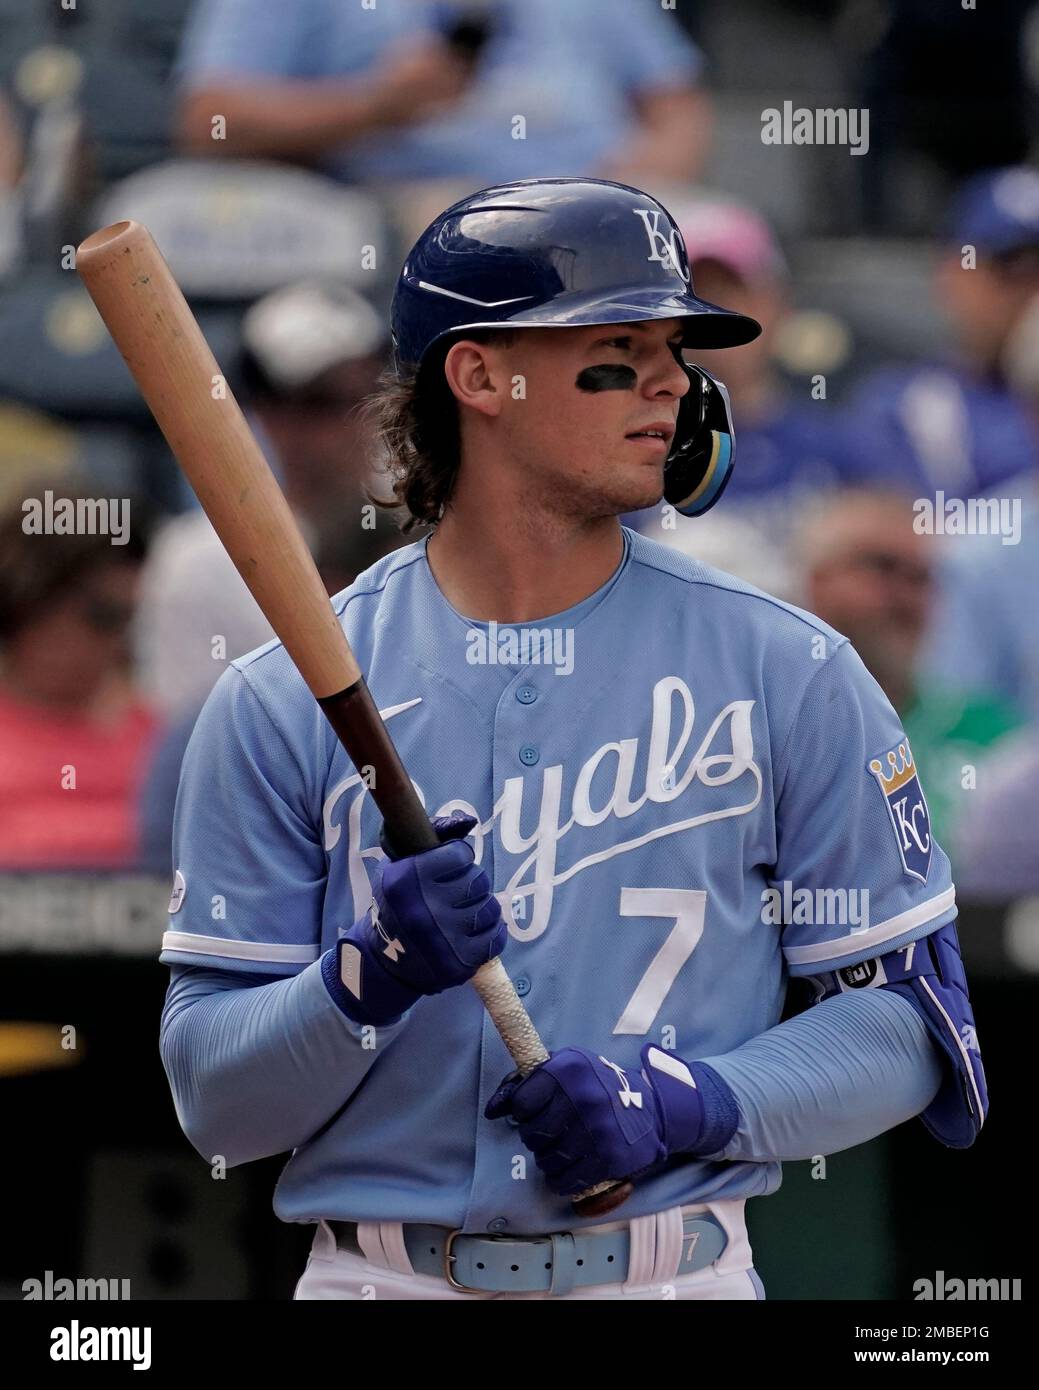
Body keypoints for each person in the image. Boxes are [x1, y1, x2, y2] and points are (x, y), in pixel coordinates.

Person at [159, 179, 986, 1301]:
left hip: (669, 1276)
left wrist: (691, 1102)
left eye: (676, 349)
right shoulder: (279, 698)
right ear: (479, 374)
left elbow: (909, 1030)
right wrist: (362, 980)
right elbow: (215, 1100)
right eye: (617, 347)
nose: (673, 381)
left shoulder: (788, 669)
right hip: (380, 1279)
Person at [173, 0, 710, 242]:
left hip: (596, 194)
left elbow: (678, 107)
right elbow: (211, 118)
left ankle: (741, 460)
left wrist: (628, 191)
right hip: (406, 200)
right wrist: (374, 107)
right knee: (485, 240)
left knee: (726, 244)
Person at [796, 488, 1020, 849]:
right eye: (883, 567)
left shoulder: (992, 737)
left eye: (922, 578)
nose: (906, 595)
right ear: (817, 580)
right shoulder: (765, 728)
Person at [843, 166, 1039, 499]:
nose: (1030, 292)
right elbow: (910, 538)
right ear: (951, 273)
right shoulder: (904, 407)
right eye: (1012, 268)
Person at [0, 479, 159, 870]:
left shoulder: (162, 741)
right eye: (102, 615)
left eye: (127, 619)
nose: (117, 641)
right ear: (31, 601)